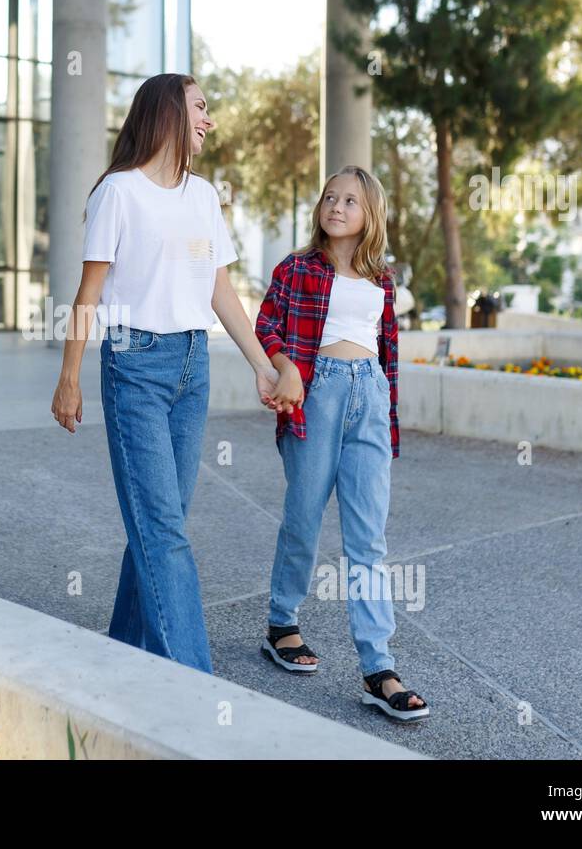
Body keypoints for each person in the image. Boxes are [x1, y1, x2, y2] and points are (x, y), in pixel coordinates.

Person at [49, 73, 279, 674]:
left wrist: (261, 366)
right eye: (200, 107)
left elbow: (219, 289)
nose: (209, 119)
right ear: (168, 111)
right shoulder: (118, 193)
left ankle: (122, 653)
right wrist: (69, 377)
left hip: (190, 366)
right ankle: (194, 690)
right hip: (134, 368)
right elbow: (88, 294)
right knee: (165, 532)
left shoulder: (202, 195)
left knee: (160, 523)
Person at [255, 165, 430, 720]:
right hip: (317, 393)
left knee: (368, 539)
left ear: (369, 213)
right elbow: (266, 327)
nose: (336, 206)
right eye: (330, 197)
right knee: (303, 519)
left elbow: (387, 355)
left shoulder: (382, 279)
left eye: (350, 200)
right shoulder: (297, 269)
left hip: (369, 399)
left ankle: (378, 667)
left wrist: (386, 418)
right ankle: (282, 623)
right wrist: (286, 370)